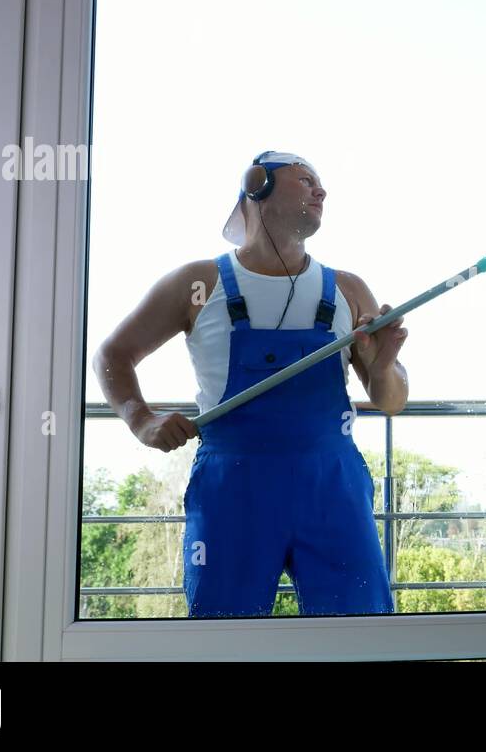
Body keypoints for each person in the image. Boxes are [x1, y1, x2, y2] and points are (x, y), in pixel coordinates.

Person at [92, 151, 408, 617]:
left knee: (360, 633)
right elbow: (112, 355)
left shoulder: (348, 289)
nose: (321, 191)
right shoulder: (197, 283)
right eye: (305, 180)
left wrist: (381, 369)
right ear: (256, 185)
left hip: (333, 487)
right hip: (233, 491)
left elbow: (393, 401)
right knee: (224, 639)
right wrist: (141, 420)